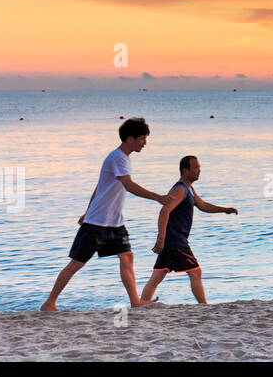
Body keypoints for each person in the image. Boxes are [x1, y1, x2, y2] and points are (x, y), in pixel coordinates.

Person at [41, 117, 176, 311]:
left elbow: (100, 187)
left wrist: (86, 211)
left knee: (127, 257)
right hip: (98, 223)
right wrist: (158, 197)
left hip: (113, 222)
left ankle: (135, 301)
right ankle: (49, 303)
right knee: (76, 263)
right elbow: (129, 186)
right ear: (130, 139)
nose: (145, 143)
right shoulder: (118, 158)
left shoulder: (122, 158)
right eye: (142, 139)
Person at [140, 155, 238, 304]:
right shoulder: (180, 189)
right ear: (185, 170)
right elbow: (164, 211)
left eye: (199, 167)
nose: (199, 171)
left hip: (172, 240)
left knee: (158, 275)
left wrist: (224, 210)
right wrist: (161, 238)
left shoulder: (189, 188)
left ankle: (141, 304)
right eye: (196, 168)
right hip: (176, 241)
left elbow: (202, 205)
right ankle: (203, 305)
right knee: (195, 272)